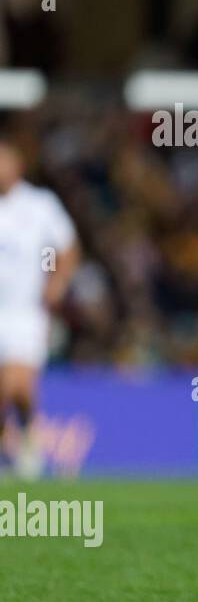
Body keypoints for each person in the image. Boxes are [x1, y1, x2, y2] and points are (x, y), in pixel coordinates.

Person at [0, 138, 79, 478]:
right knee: (15, 387)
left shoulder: (39, 205)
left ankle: (26, 437)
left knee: (14, 383)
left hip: (25, 312)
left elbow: (67, 247)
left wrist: (57, 282)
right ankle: (29, 436)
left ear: (18, 166)